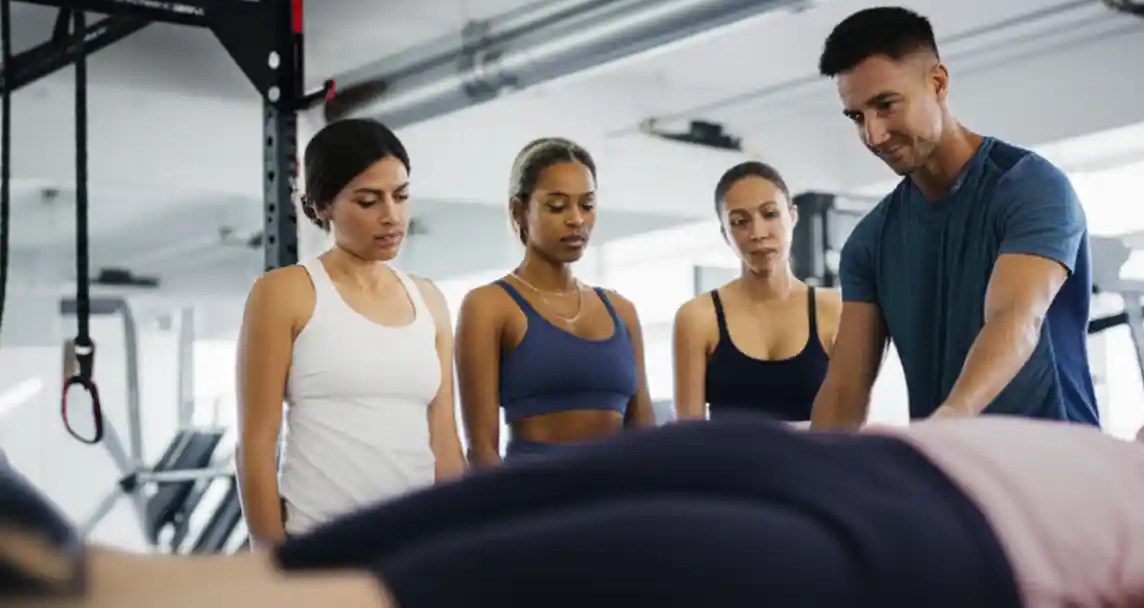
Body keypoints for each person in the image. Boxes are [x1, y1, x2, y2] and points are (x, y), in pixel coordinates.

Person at [5, 391, 1144, 606]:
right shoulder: (1109, 454)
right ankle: (98, 579)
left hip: (908, 545)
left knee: (436, 588)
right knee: (473, 510)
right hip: (813, 459)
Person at [809, 6, 1100, 429]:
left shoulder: (1030, 187)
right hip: (951, 471)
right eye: (857, 117)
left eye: (886, 105)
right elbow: (845, 387)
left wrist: (949, 421)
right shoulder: (870, 242)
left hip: (1055, 464)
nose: (873, 134)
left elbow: (1015, 320)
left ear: (938, 83)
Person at [234, 118, 465, 547]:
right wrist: (271, 563)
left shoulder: (429, 299)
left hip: (418, 545)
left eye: (401, 196)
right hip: (320, 546)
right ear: (323, 206)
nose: (391, 216)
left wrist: (459, 543)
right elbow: (256, 444)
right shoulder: (283, 294)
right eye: (367, 201)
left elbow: (445, 440)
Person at [455, 137, 654, 466]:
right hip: (535, 500)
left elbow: (644, 432)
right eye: (557, 206)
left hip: (619, 498)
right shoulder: (489, 306)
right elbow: (481, 451)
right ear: (519, 211)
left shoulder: (621, 310)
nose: (576, 219)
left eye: (587, 205)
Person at [673, 161, 840, 425]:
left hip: (813, 465)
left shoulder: (835, 310)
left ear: (793, 216)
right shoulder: (697, 318)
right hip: (727, 466)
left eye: (770, 213)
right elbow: (689, 436)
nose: (758, 233)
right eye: (740, 222)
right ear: (725, 234)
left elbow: (848, 429)